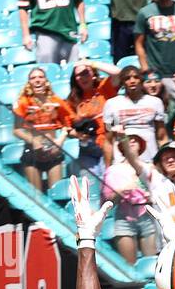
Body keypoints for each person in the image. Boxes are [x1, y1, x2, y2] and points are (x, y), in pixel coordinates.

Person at [13, 67, 73, 192]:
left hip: (53, 152)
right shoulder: (24, 102)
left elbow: (68, 124)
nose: (37, 80)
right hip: (32, 152)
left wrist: (60, 141)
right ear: (29, 83)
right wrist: (33, 141)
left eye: (41, 77)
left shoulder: (56, 101)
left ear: (46, 81)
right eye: (33, 78)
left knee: (57, 193)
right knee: (36, 196)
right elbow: (17, 130)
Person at [102, 132, 159, 264]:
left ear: (141, 146)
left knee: (152, 263)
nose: (132, 142)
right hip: (124, 219)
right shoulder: (113, 170)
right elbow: (107, 202)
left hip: (147, 217)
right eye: (129, 140)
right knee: (129, 265)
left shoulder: (150, 167)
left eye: (135, 140)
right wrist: (121, 191)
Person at [101, 65, 168, 164]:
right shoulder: (112, 104)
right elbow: (108, 139)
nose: (132, 81)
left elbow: (162, 137)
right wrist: (108, 168)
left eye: (136, 77)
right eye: (127, 78)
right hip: (122, 161)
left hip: (150, 160)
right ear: (122, 82)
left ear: (141, 80)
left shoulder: (155, 102)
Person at [66, 60, 123, 169]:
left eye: (86, 72)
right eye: (78, 75)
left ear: (93, 74)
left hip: (110, 141)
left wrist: (91, 63)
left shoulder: (104, 88)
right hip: (88, 147)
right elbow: (67, 128)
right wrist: (79, 135)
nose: (83, 77)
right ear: (75, 79)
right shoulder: (73, 100)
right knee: (89, 183)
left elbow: (118, 73)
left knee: (109, 179)